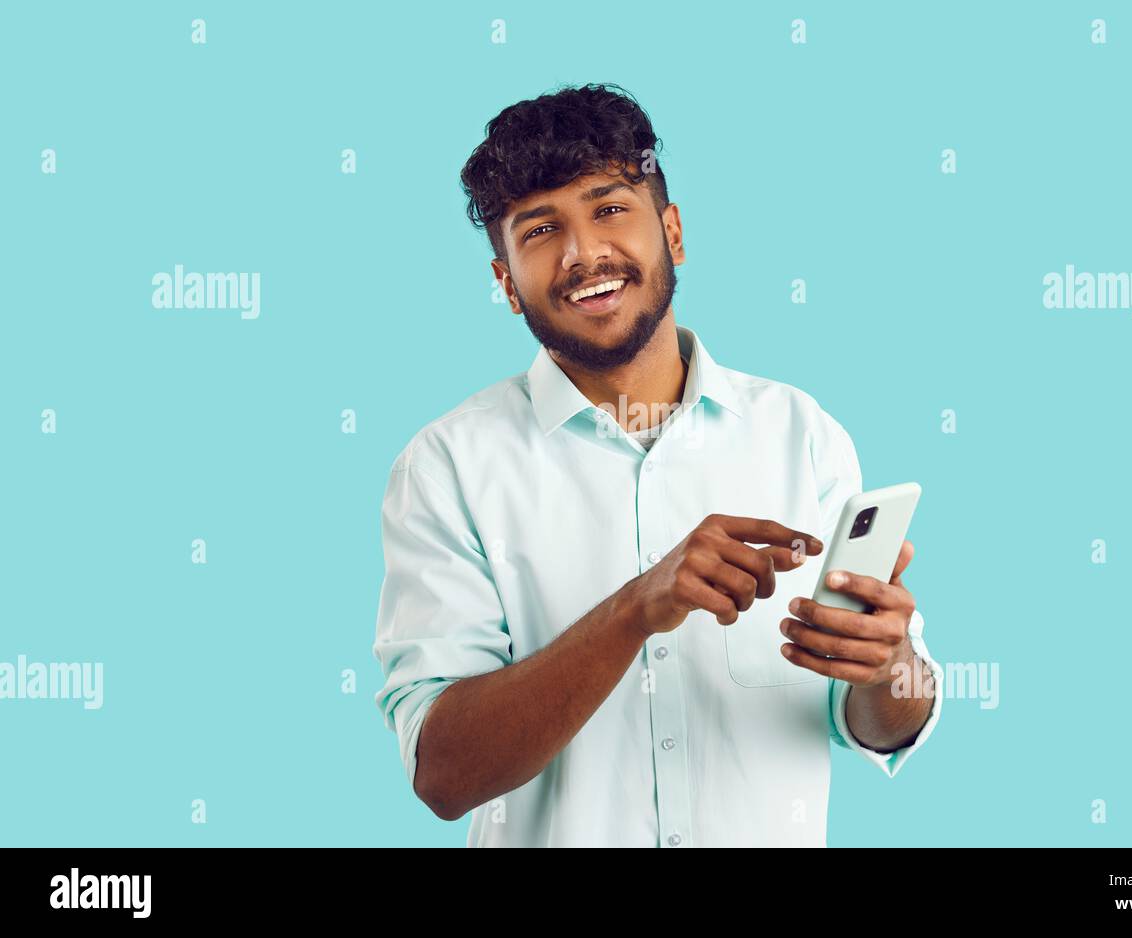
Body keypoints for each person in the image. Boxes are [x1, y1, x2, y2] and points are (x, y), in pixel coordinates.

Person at [373, 82, 942, 847]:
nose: (584, 254)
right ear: (507, 282)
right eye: (541, 230)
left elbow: (877, 725)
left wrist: (885, 667)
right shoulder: (446, 467)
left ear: (671, 232)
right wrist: (638, 607)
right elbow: (444, 773)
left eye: (610, 209)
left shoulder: (802, 434)